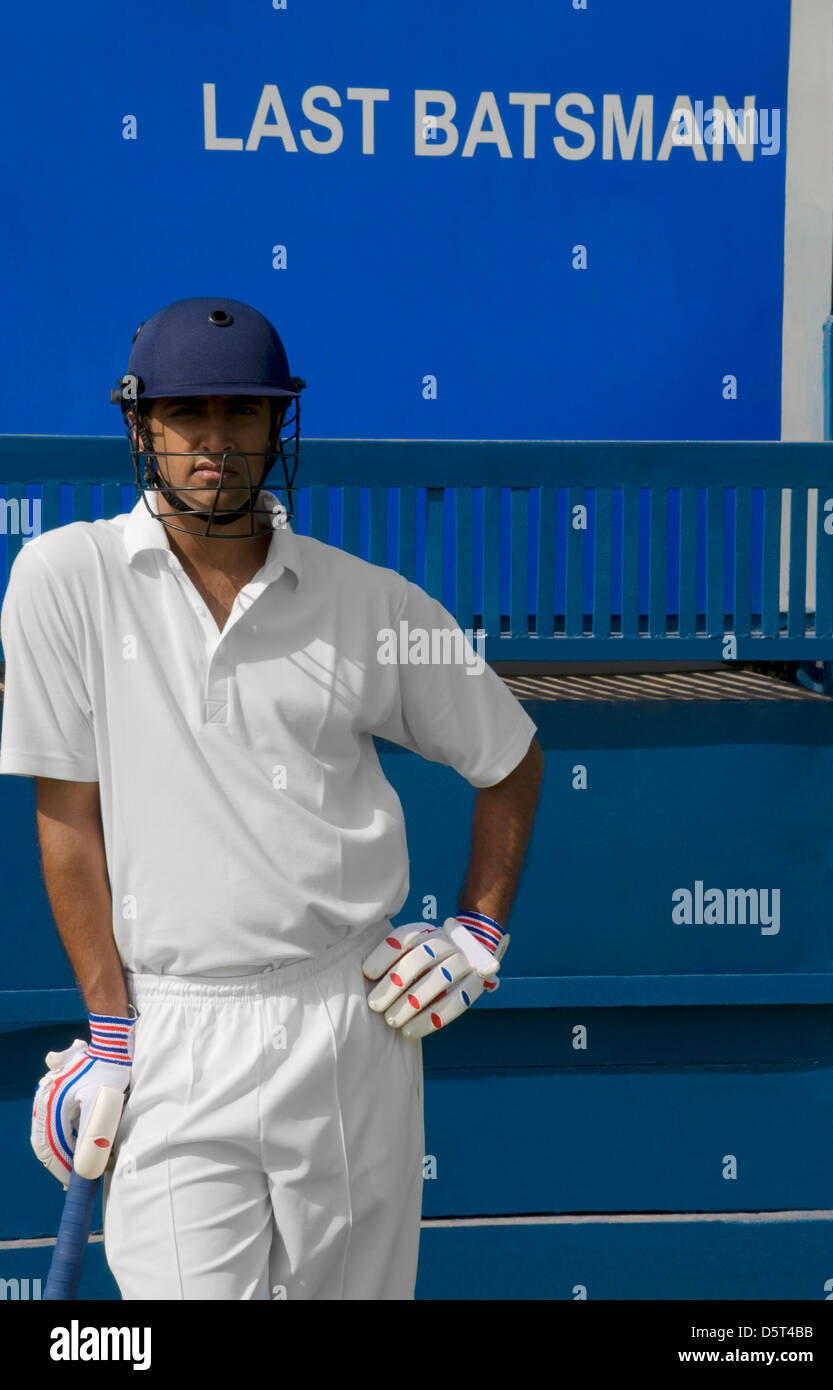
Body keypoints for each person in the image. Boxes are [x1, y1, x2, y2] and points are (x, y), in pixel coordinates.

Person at [0, 296, 543, 1300]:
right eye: (185, 413)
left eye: (241, 413)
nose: (214, 440)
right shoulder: (62, 578)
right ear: (139, 426)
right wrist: (110, 1032)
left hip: (349, 1021)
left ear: (276, 426)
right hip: (173, 1029)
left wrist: (477, 934)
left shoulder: (367, 602)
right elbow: (66, 819)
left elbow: (508, 754)